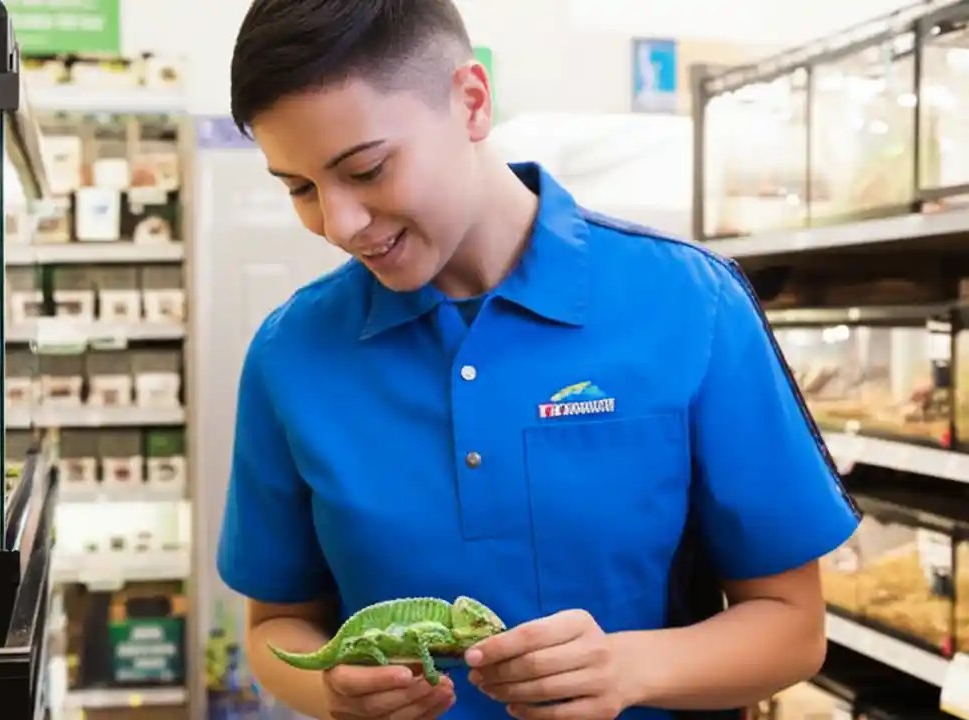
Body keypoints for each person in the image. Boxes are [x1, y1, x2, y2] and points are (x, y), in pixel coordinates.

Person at [214, 1, 861, 719]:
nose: (338, 225)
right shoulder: (290, 353)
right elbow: (275, 627)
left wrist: (628, 670)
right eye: (299, 188)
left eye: (366, 170)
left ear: (471, 101)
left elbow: (792, 628)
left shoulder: (690, 303)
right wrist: (332, 692)